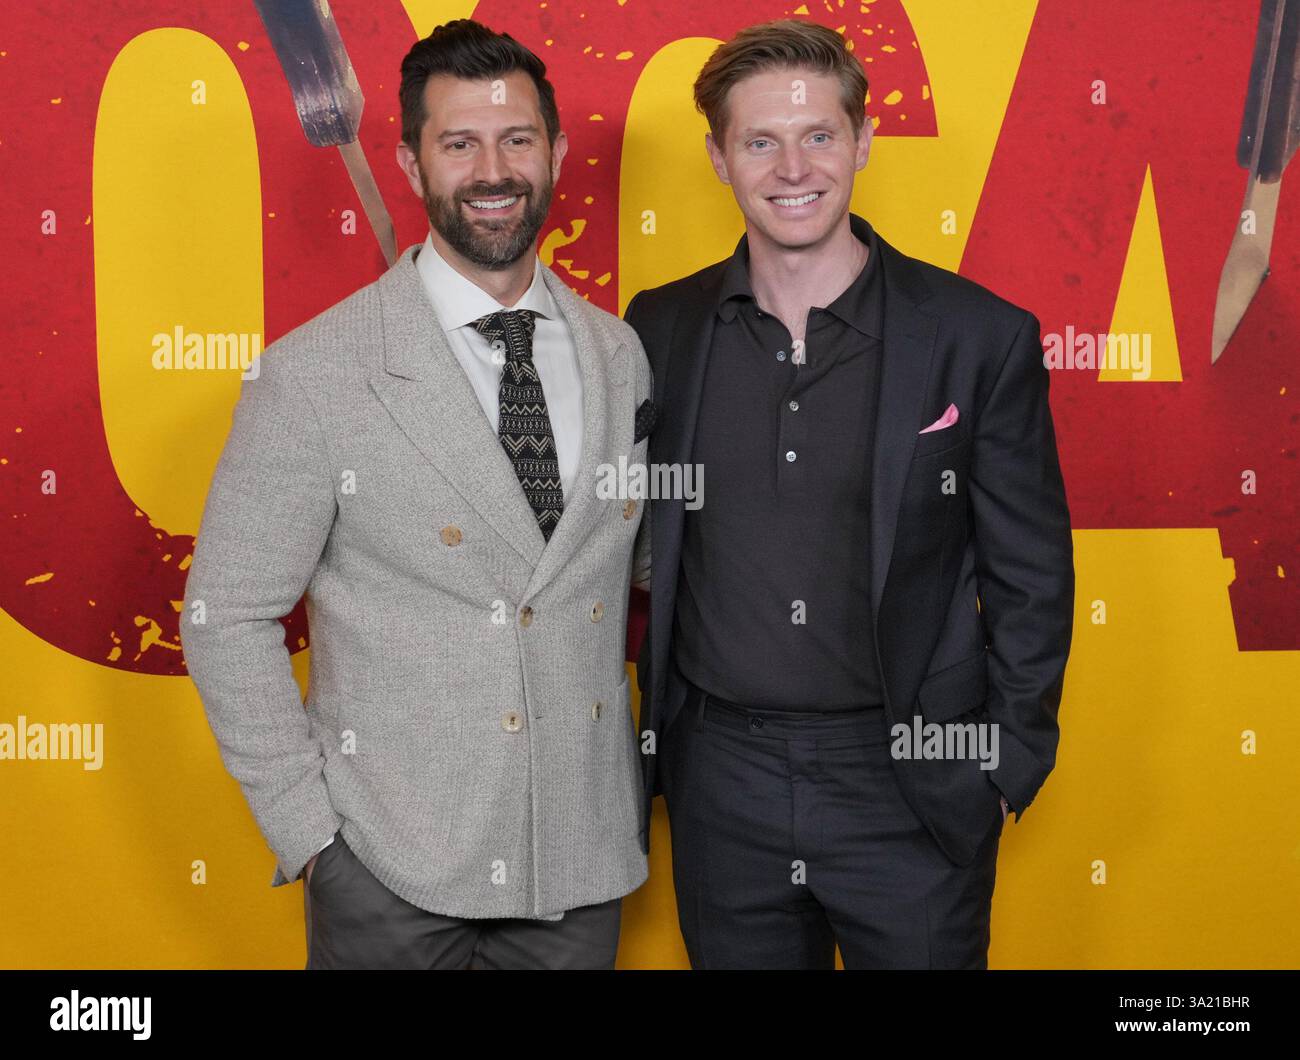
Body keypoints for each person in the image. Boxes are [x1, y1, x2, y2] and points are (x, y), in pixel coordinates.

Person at [182, 19, 652, 970]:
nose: (493, 168)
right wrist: (314, 836)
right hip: (388, 874)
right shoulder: (313, 374)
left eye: (517, 138)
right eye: (458, 142)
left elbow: (634, 565)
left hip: (578, 863)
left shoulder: (621, 356)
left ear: (555, 153)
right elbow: (225, 613)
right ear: (408, 161)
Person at [625, 19, 1074, 969]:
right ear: (718, 158)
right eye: (761, 141)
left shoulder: (976, 336)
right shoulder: (659, 328)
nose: (794, 167)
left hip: (910, 782)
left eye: (819, 135)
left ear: (864, 142)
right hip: (724, 784)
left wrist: (1000, 765)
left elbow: (1031, 571)